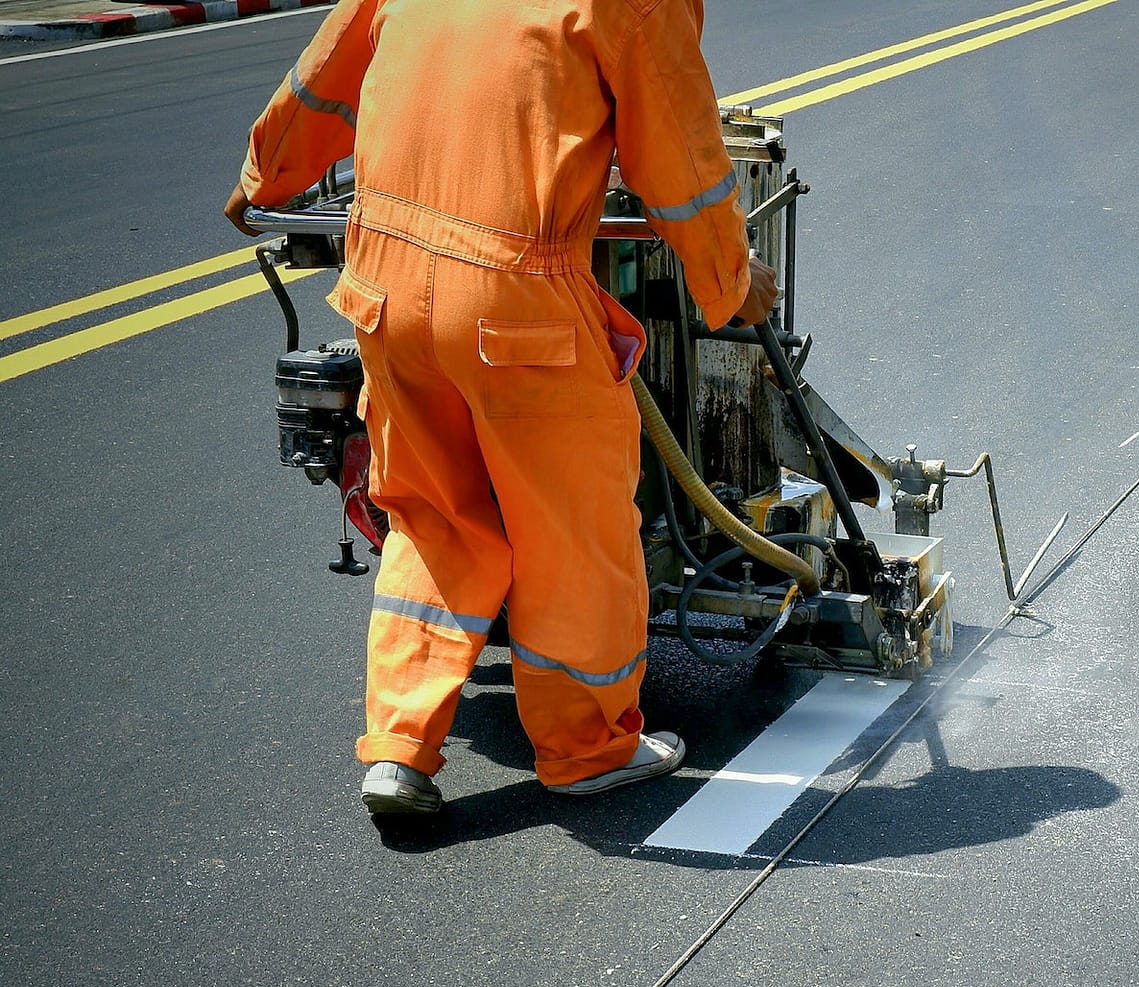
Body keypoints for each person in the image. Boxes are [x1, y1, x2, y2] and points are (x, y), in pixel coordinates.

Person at [226, 0, 778, 815]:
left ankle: (398, 748)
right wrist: (733, 280)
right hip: (517, 301)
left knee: (428, 511)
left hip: (385, 285)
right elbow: (682, 162)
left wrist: (262, 175)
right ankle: (587, 746)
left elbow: (324, 76)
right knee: (570, 530)